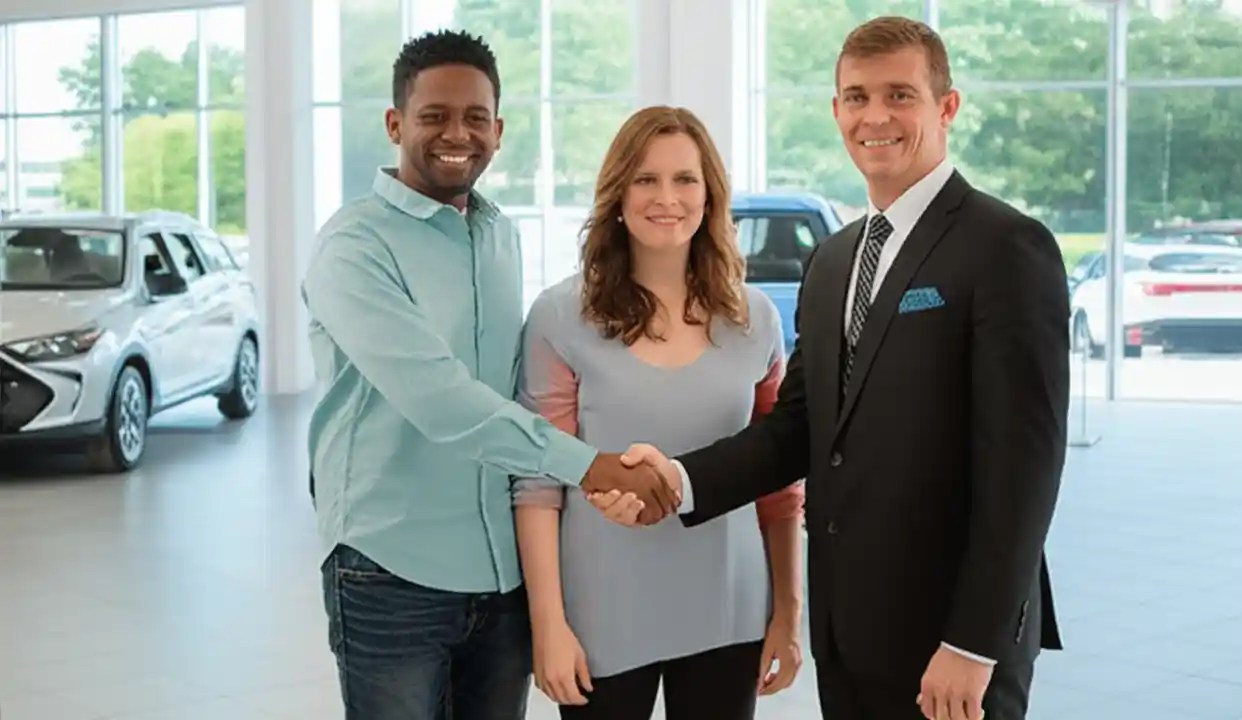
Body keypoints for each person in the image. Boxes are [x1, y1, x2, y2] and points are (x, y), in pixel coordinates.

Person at [611, 16, 1069, 720]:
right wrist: (680, 477)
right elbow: (798, 430)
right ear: (836, 111)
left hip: (949, 641)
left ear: (947, 107)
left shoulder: (1006, 247)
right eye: (856, 97)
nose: (874, 116)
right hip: (849, 633)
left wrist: (974, 643)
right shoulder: (832, 262)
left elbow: (1025, 467)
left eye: (899, 95)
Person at [300, 30, 676, 720]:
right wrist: (593, 468)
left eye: (475, 117)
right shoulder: (353, 247)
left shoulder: (498, 235)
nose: (457, 134)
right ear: (395, 124)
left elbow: (519, 384)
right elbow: (442, 402)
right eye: (434, 115)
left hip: (500, 577)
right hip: (389, 570)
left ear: (498, 131)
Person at [512, 106, 806, 720]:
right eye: (646, 179)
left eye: (685, 180)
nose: (666, 198)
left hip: (729, 605)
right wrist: (549, 625)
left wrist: (787, 612)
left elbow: (778, 482)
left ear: (710, 195)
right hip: (603, 609)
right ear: (618, 193)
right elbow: (538, 485)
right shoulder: (560, 317)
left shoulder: (756, 322)